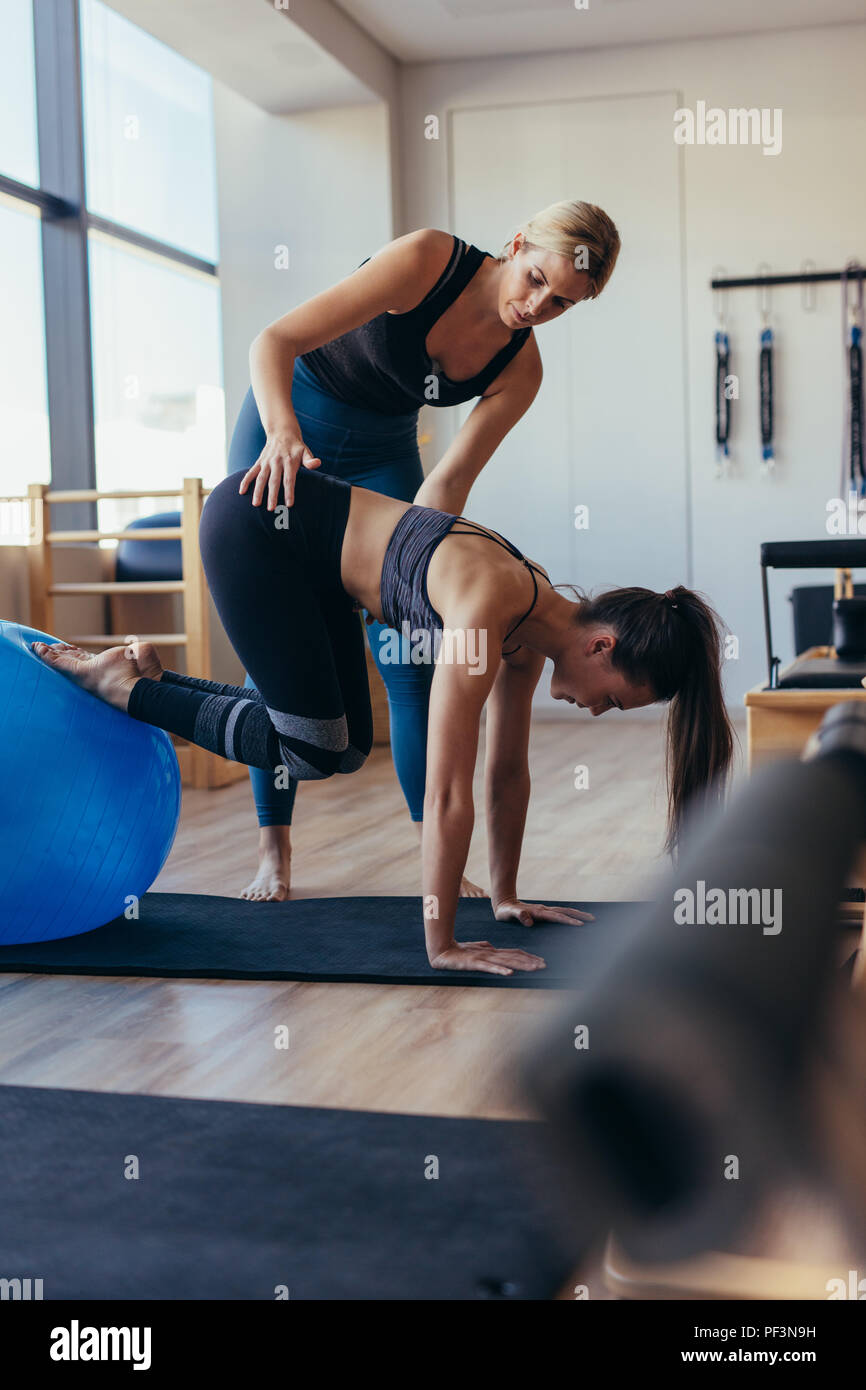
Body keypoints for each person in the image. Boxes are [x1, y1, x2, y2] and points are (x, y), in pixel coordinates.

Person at [33, 465, 735, 977]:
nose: (596, 710)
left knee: (343, 749)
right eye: (613, 698)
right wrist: (442, 942)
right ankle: (128, 689)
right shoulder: (491, 605)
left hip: (309, 564)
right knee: (309, 750)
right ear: (601, 645)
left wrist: (510, 895)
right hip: (255, 527)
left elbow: (507, 772)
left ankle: (151, 679)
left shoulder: (532, 621)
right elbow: (448, 790)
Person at [228, 202, 621, 901]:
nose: (537, 307)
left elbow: (446, 487)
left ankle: (431, 850)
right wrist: (282, 434)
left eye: (563, 302)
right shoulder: (427, 260)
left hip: (383, 461)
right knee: (280, 654)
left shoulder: (519, 372)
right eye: (534, 279)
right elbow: (273, 341)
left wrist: (406, 582)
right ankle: (273, 851)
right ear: (517, 242)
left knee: (410, 662)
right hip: (290, 423)